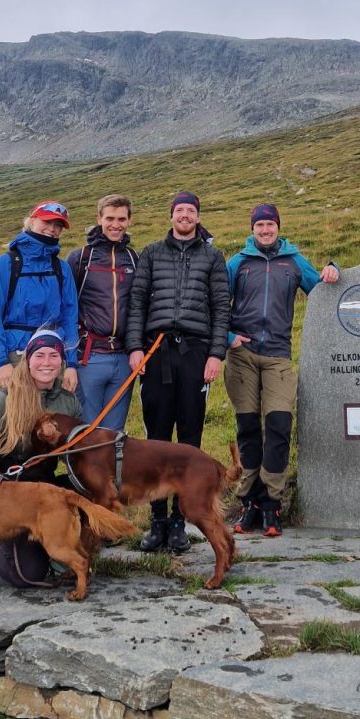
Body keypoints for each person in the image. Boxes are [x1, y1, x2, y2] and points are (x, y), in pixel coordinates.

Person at [125, 191, 230, 553]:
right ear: (171, 217)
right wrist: (135, 347)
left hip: (196, 353)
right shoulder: (152, 253)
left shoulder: (213, 257)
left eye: (191, 210)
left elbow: (221, 308)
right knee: (156, 438)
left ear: (198, 217)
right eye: (179, 210)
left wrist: (216, 354)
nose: (185, 215)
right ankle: (156, 521)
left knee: (189, 437)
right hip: (156, 351)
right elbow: (137, 300)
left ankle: (179, 522)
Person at [226, 203, 339, 536]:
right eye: (259, 225)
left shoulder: (293, 262)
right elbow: (215, 305)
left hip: (277, 355)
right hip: (241, 355)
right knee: (248, 428)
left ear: (278, 227)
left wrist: (332, 269)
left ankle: (272, 504)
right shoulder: (237, 263)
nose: (265, 230)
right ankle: (250, 503)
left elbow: (321, 290)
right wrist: (229, 337)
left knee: (278, 425)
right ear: (252, 229)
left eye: (270, 224)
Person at [0, 328, 83, 585]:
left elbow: (75, 453)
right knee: (26, 574)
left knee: (87, 490)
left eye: (53, 356)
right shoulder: (5, 398)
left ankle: (58, 545)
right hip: (3, 487)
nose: (46, 363)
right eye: (39, 355)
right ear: (27, 360)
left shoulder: (69, 402)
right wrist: (2, 491)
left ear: (62, 361)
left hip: (42, 486)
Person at [0, 201, 79, 392]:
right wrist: (1, 362)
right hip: (16, 358)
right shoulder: (5, 263)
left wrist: (71, 365)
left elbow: (69, 318)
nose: (52, 229)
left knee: (50, 420)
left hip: (52, 357)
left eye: (58, 225)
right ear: (31, 222)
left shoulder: (61, 268)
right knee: (10, 419)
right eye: (47, 221)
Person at [67, 194, 139, 430]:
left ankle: (110, 469)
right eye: (109, 218)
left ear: (129, 221)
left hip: (123, 357)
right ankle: (78, 469)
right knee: (86, 430)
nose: (115, 224)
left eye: (121, 218)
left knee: (114, 433)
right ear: (99, 219)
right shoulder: (80, 258)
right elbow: (67, 307)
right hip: (90, 356)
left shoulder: (134, 258)